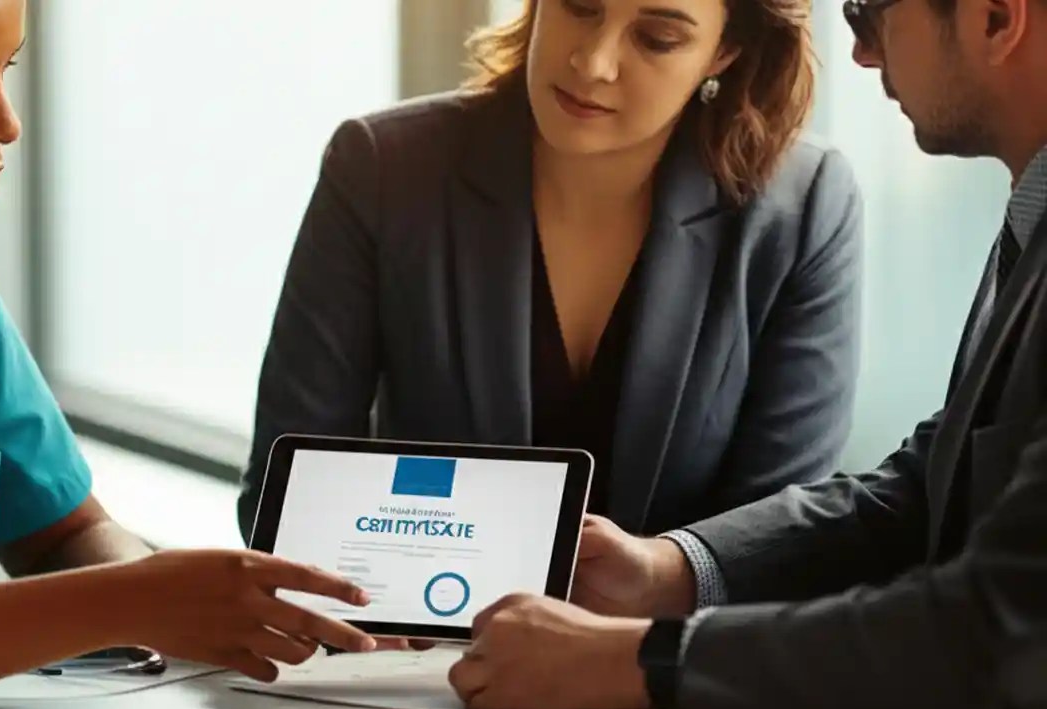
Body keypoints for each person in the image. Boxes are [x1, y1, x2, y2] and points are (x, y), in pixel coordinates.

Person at [0, 0, 377, 705]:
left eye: (8, 72)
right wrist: (133, 598)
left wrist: (219, 610)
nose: (6, 123)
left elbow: (63, 531)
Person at [448, 0, 1047, 709]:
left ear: (993, 18)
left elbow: (1008, 627)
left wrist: (632, 659)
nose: (862, 54)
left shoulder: (809, 201)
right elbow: (932, 489)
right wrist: (672, 569)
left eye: (870, 12)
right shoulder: (1031, 214)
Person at [237, 0, 864, 550]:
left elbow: (775, 538)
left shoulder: (802, 207)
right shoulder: (382, 169)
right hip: (416, 659)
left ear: (725, 51)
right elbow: (286, 495)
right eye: (580, 6)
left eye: (657, 38)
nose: (593, 62)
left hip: (668, 669)